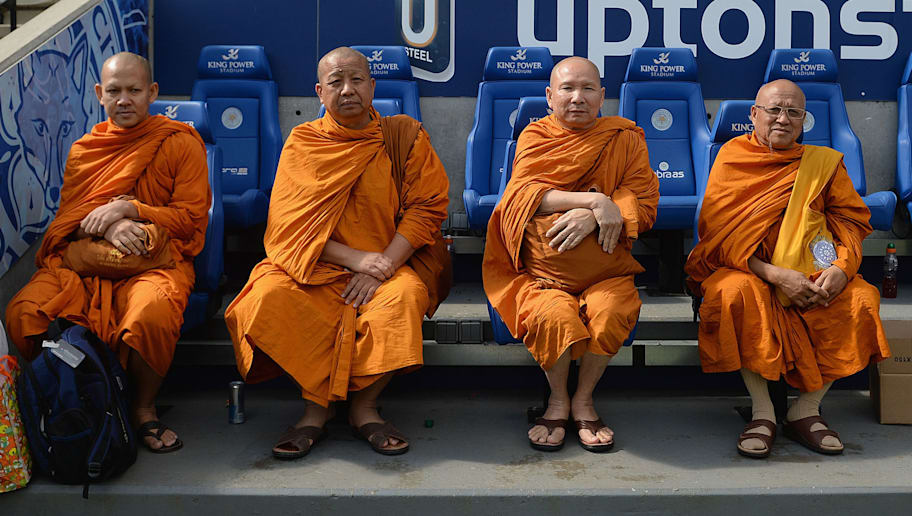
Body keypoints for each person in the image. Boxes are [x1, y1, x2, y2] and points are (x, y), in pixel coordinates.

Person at [225, 47, 449, 459]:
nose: (348, 90)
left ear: (373, 86)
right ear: (319, 92)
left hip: (388, 262)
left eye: (357, 80)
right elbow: (289, 226)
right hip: (315, 263)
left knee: (406, 298)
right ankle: (316, 409)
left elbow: (427, 208)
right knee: (266, 297)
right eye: (336, 82)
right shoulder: (304, 142)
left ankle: (365, 408)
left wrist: (380, 266)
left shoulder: (403, 137)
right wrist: (355, 260)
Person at [5, 52, 211, 453]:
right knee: (23, 312)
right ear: (99, 94)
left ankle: (142, 408)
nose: (124, 100)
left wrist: (130, 208)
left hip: (153, 264)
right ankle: (64, 397)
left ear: (151, 93)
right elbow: (68, 222)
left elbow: (189, 220)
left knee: (149, 314)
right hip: (85, 261)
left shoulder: (181, 142)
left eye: (134, 91)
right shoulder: (86, 150)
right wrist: (112, 225)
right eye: (114, 91)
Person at [685, 79, 890, 458]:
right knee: (733, 292)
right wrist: (776, 275)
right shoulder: (733, 158)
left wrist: (842, 270)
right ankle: (762, 411)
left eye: (794, 112)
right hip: (751, 269)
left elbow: (850, 224)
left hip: (812, 270)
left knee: (861, 296)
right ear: (754, 115)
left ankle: (805, 410)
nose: (783, 119)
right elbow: (718, 238)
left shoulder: (822, 164)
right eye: (774, 110)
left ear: (804, 120)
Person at [483, 57, 659, 452]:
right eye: (567, 89)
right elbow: (523, 194)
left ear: (602, 96)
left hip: (607, 272)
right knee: (553, 315)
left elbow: (644, 203)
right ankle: (558, 398)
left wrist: (595, 217)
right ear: (549, 96)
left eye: (587, 89)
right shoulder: (535, 135)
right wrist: (595, 202)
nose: (577, 98)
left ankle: (584, 397)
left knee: (611, 312)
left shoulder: (625, 138)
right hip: (542, 276)